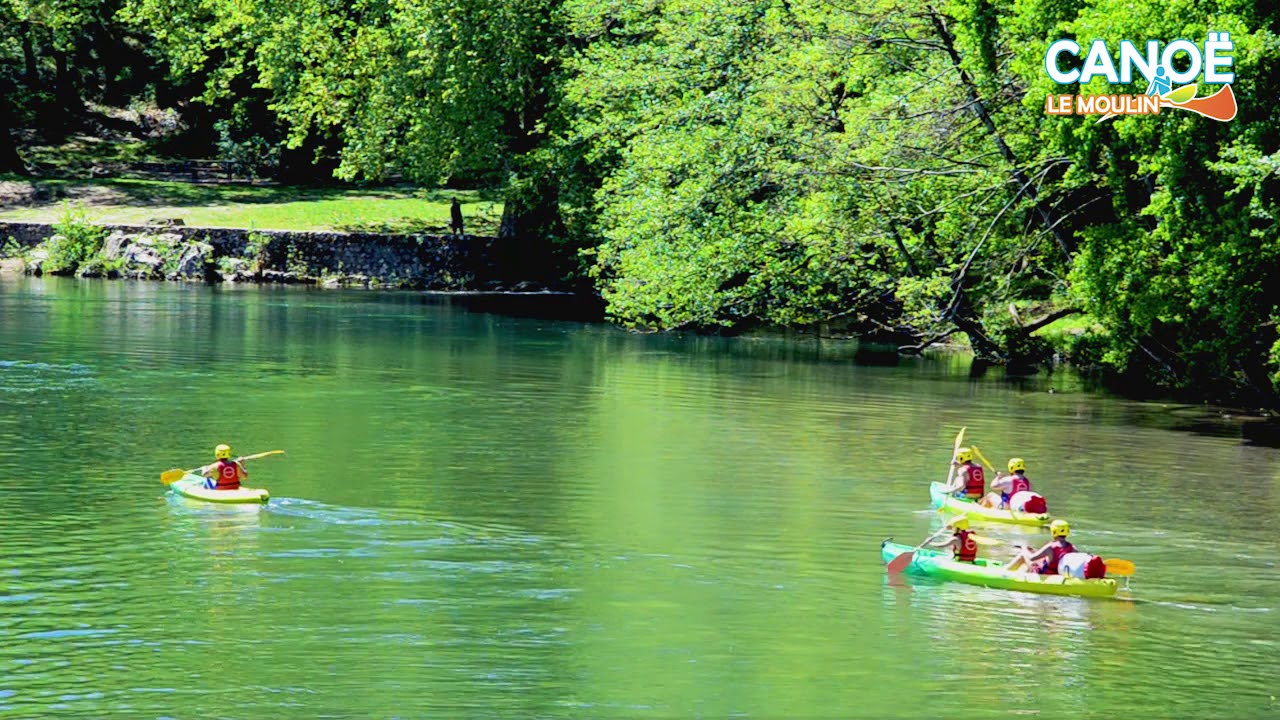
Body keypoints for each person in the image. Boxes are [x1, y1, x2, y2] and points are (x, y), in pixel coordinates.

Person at [980, 458, 1047, 513]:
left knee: (990, 495)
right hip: (1019, 507)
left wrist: (998, 477)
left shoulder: (1008, 479)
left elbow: (993, 486)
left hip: (1007, 508)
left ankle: (981, 511)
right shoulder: (1028, 482)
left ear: (1011, 468)